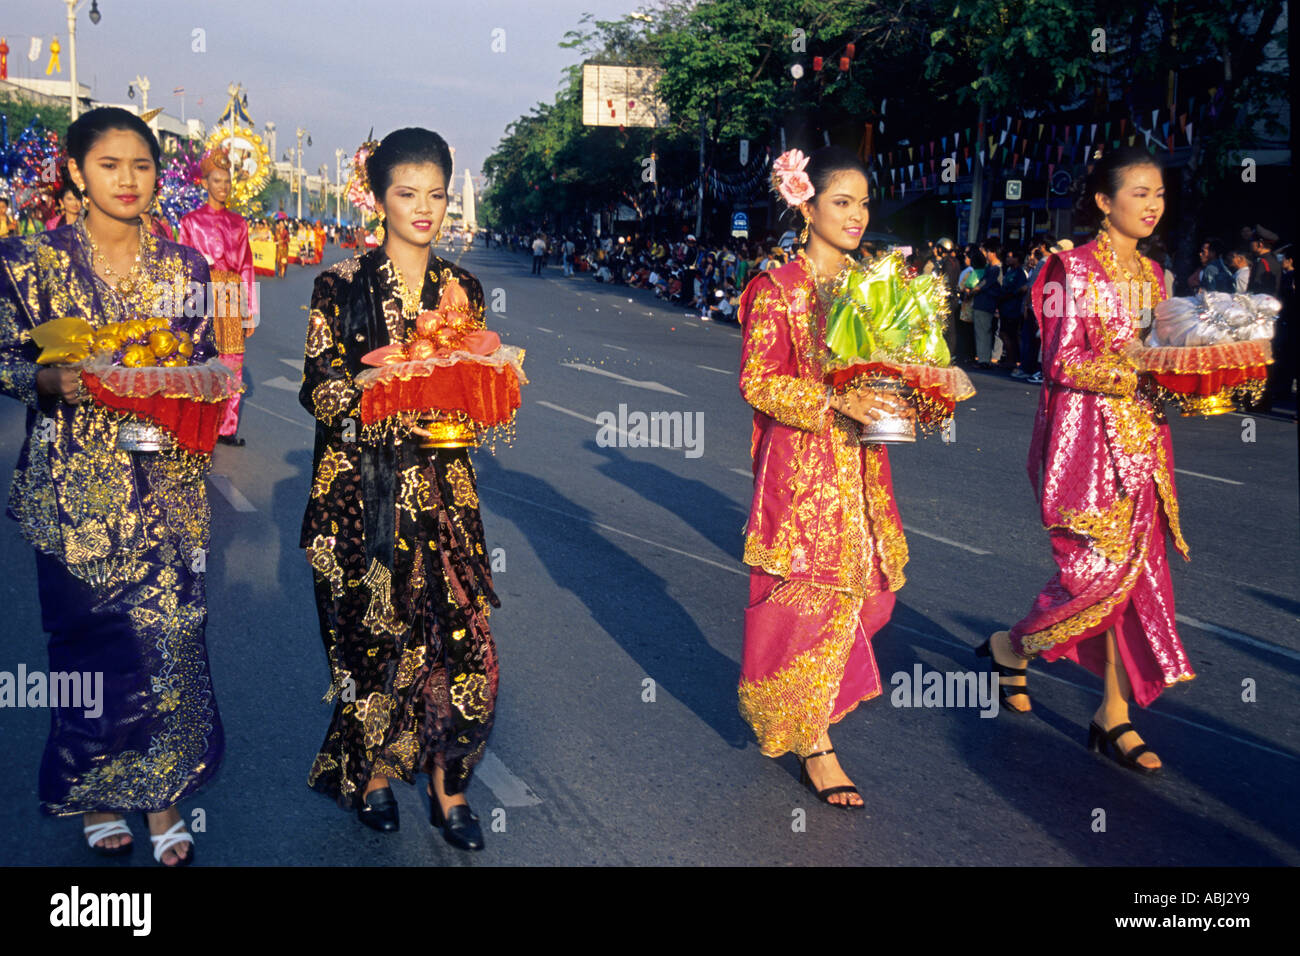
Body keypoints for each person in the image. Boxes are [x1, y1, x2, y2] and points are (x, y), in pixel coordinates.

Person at [0, 106, 223, 863]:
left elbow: (214, 364)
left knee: (168, 641)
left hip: (162, 476)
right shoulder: (26, 263)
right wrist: (43, 378)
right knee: (89, 650)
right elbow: (3, 357)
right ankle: (96, 790)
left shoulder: (186, 269)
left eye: (142, 166)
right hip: (70, 486)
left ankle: (160, 799)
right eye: (109, 165)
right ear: (74, 172)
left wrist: (193, 380)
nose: (128, 181)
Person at [300, 127, 501, 852]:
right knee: (366, 645)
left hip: (446, 497)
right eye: (407, 193)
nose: (424, 208)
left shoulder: (463, 289)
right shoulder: (341, 285)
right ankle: (374, 775)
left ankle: (450, 786)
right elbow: (317, 388)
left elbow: (477, 388)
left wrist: (482, 391)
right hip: (358, 498)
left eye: (437, 195)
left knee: (464, 646)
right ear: (379, 198)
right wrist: (376, 389)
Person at [981, 146, 1191, 774]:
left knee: (1137, 578)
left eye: (1158, 193)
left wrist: (1190, 370)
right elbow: (1058, 363)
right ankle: (1012, 645)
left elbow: (1161, 354)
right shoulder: (1066, 270)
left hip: (1143, 446)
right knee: (1092, 575)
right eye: (1139, 193)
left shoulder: (1156, 277)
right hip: (1083, 444)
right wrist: (1138, 371)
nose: (1153, 204)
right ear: (1104, 201)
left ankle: (1113, 711)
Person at [738, 146, 912, 809]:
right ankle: (816, 742)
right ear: (806, 208)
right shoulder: (777, 289)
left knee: (874, 598)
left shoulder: (872, 288)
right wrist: (831, 400)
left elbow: (891, 367)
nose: (857, 216)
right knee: (811, 598)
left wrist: (923, 387)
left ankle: (809, 707)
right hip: (802, 475)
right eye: (842, 202)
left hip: (866, 467)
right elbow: (757, 382)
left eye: (864, 203)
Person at [178, 148, 257, 446]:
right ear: (205, 184)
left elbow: (247, 266)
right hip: (202, 290)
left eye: (227, 181)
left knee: (232, 360)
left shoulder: (240, 224)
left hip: (232, 293)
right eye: (217, 180)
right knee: (199, 356)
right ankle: (196, 422)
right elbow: (183, 266)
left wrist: (251, 311)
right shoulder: (190, 222)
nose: (223, 186)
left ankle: (227, 427)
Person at [970, 243, 1002, 367]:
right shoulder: (990, 268)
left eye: (987, 252)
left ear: (993, 253)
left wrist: (974, 290)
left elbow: (984, 284)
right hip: (985, 303)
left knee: (983, 332)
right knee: (984, 332)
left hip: (986, 303)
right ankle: (983, 359)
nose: (986, 255)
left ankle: (983, 360)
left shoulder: (996, 269)